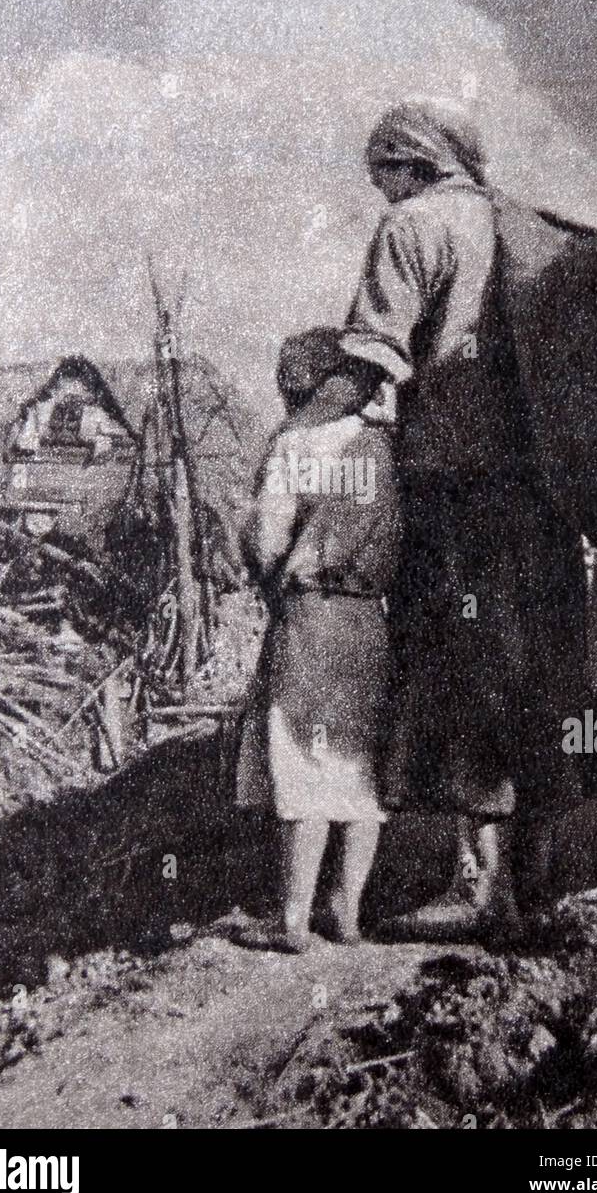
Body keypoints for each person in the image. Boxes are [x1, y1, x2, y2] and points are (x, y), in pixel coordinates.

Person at [289, 98, 597, 944]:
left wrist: (295, 443)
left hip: (458, 494)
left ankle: (478, 886)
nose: (379, 193)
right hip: (543, 503)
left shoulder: (413, 229)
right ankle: (539, 883)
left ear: (410, 165)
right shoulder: (526, 230)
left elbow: (368, 364)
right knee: (542, 669)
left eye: (380, 175)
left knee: (461, 672)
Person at [235, 326, 401, 952]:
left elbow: (267, 539)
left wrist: (266, 565)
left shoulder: (293, 446)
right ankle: (349, 915)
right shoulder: (382, 448)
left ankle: (292, 922)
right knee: (358, 772)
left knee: (303, 763)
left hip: (309, 614)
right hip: (367, 617)